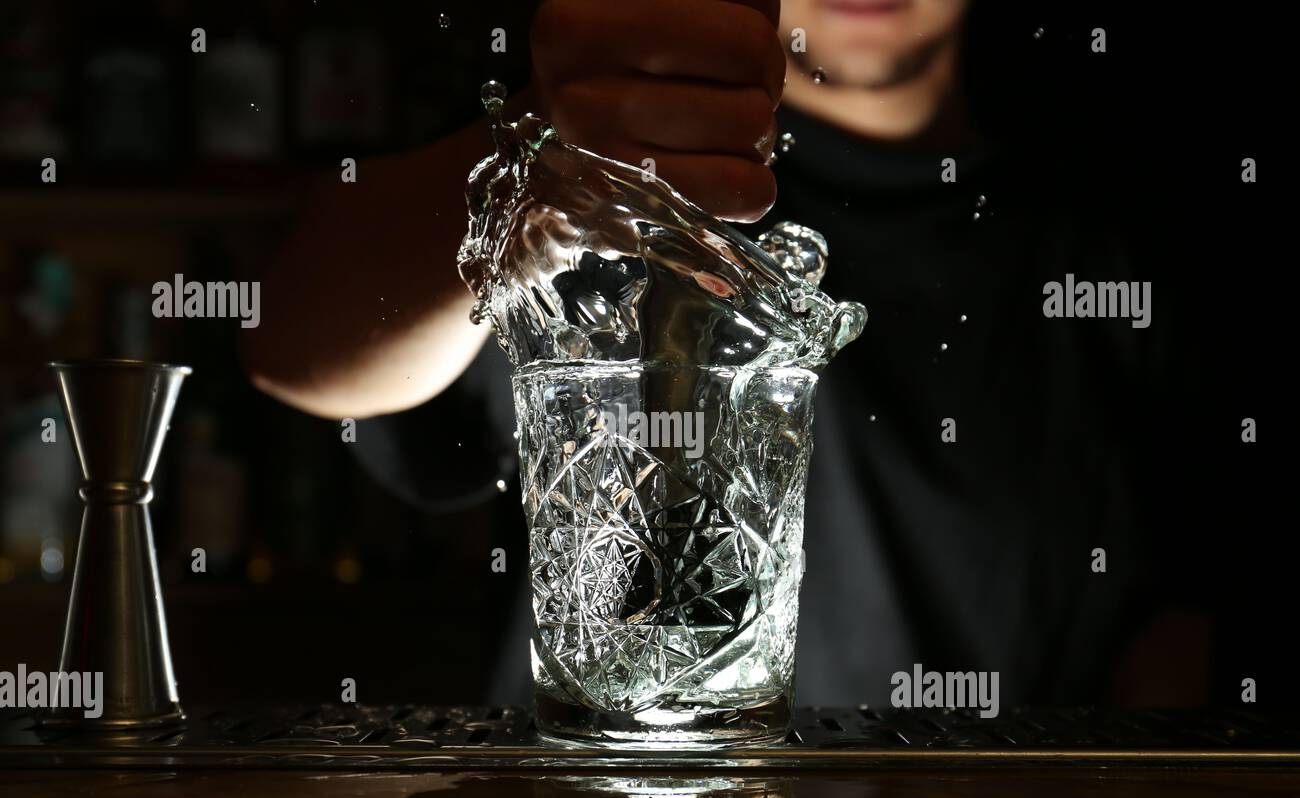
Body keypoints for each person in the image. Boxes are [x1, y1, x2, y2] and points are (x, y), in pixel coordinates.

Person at [243, 0, 1225, 708]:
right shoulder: (614, 199)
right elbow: (294, 348)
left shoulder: (1119, 247)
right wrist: (558, 147)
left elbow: (1179, 622)